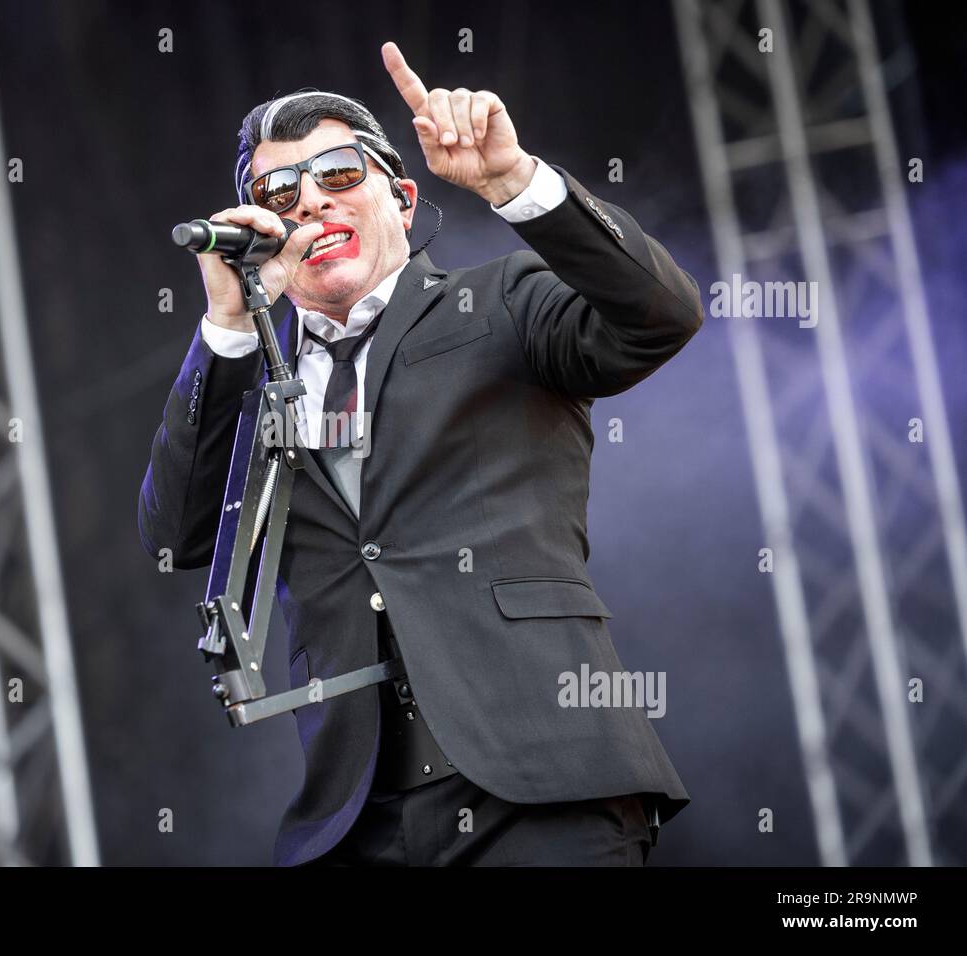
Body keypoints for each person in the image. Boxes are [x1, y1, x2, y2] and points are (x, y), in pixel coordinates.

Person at [139, 42, 702, 866]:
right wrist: (227, 323)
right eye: (278, 193)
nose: (312, 204)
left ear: (402, 200)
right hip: (356, 822)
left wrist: (514, 183)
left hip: (544, 788)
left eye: (338, 176)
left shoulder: (501, 301)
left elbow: (661, 316)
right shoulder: (254, 385)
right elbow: (174, 538)